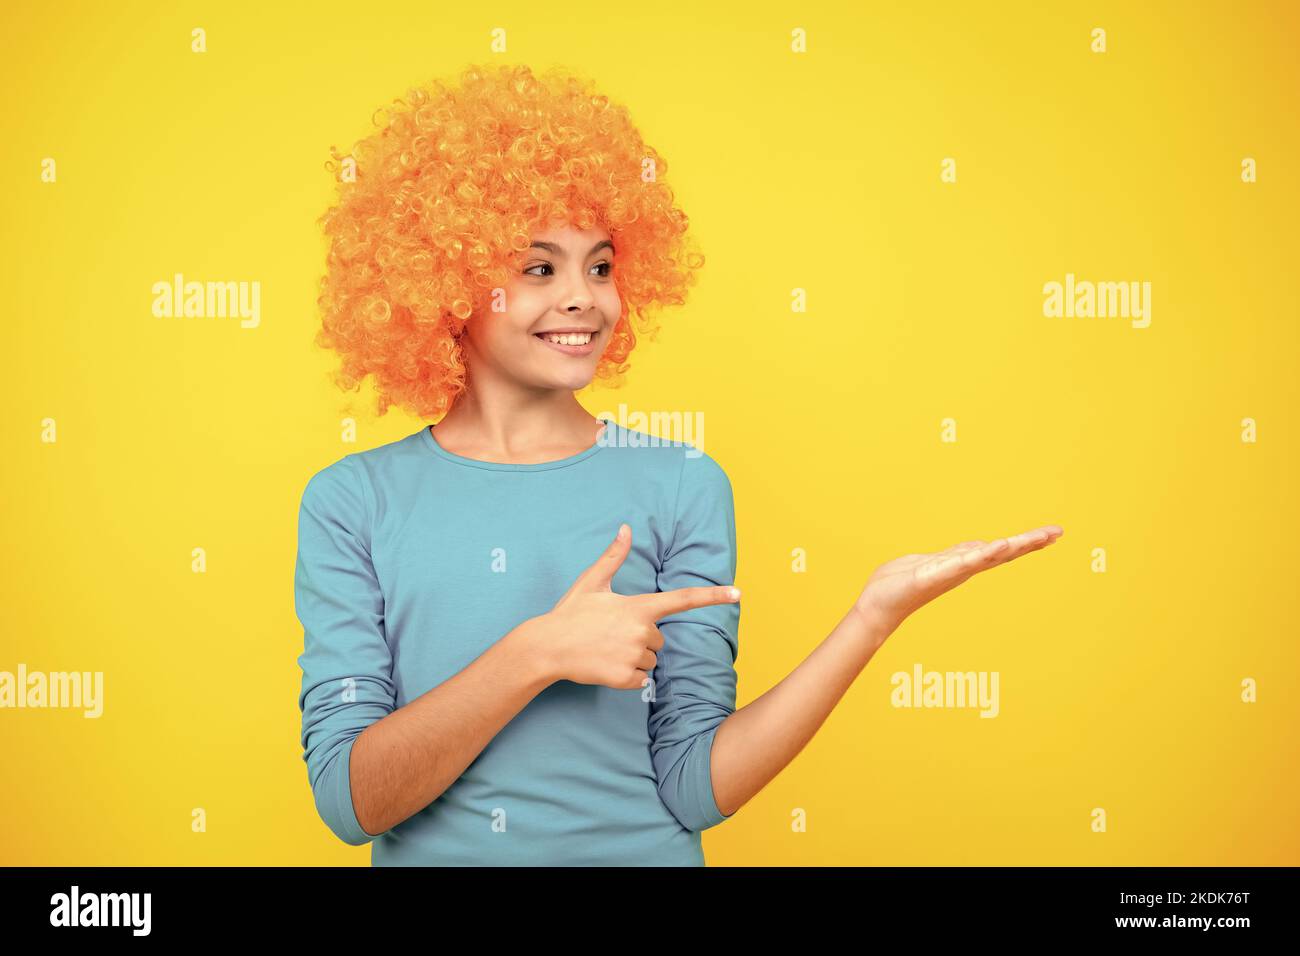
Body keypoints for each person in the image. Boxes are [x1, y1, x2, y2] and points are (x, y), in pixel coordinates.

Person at [294, 63, 1062, 866]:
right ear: (445, 282)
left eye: (600, 265)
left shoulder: (682, 484)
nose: (585, 298)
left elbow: (693, 786)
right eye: (537, 268)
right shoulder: (354, 502)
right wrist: (537, 653)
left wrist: (870, 618)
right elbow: (351, 803)